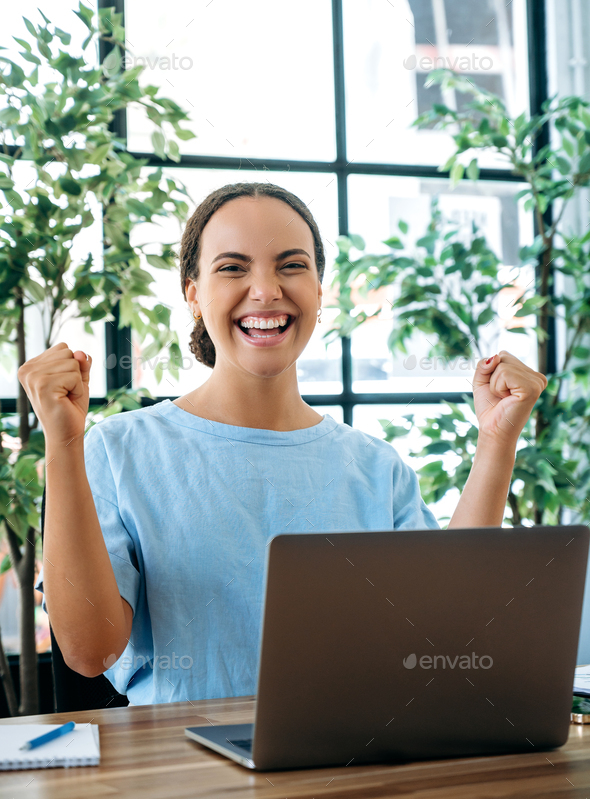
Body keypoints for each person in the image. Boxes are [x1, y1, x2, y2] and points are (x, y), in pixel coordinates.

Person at [21, 182, 547, 705]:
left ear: (320, 289)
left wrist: (497, 439)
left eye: (292, 265)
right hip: (185, 770)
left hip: (353, 764)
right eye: (232, 267)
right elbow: (91, 653)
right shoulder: (118, 450)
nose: (266, 290)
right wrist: (63, 443)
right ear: (194, 294)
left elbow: (444, 628)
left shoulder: (376, 467)